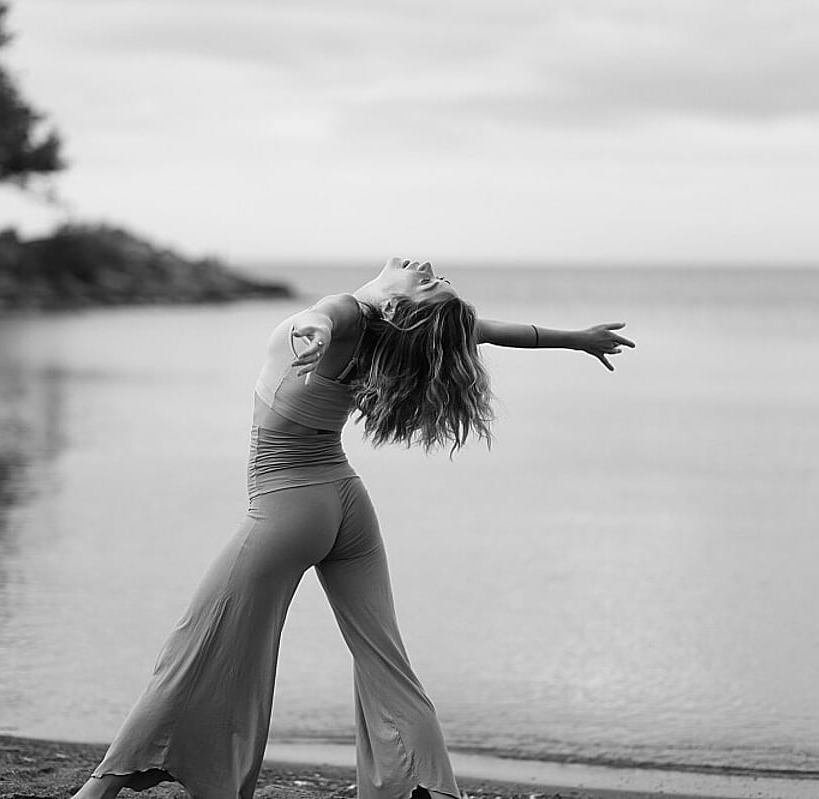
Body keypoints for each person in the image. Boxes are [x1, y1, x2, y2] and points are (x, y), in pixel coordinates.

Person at [71, 257, 635, 799]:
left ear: (394, 306)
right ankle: (431, 790)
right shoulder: (396, 333)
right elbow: (487, 332)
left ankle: (103, 786)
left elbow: (326, 317)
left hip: (289, 505)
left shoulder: (346, 313)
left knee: (199, 644)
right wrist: (576, 339)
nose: (428, 270)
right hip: (346, 502)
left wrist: (310, 332)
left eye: (430, 283)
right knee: (385, 660)